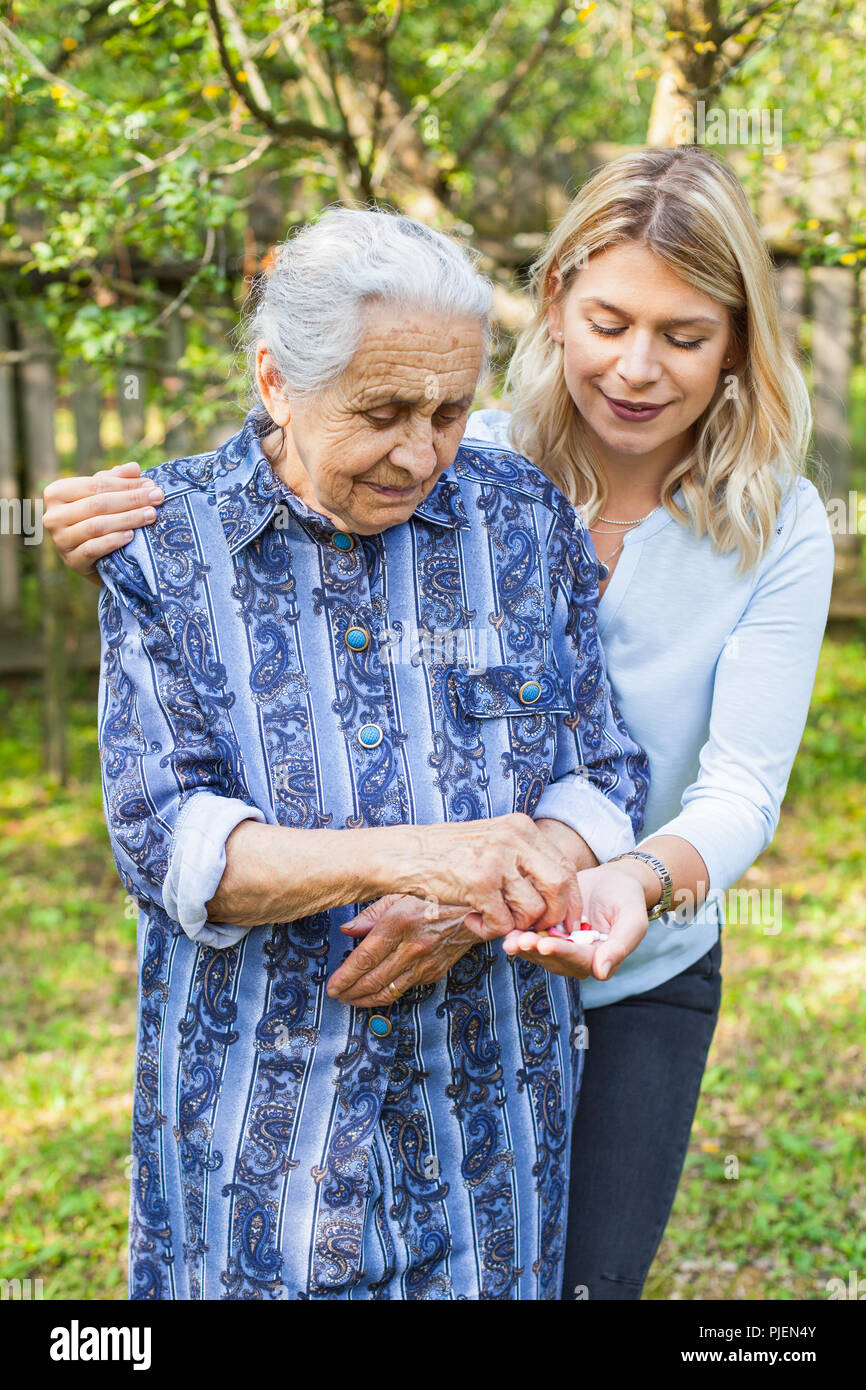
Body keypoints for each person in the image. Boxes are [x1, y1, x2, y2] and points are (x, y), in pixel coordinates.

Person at [44, 147, 835, 1300]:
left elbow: (663, 776)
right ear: (557, 300)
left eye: (683, 335)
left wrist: (512, 886)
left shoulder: (541, 506)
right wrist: (424, 858)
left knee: (583, 1279)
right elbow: (165, 835)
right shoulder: (210, 531)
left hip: (610, 968)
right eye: (611, 320)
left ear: (733, 347)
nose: (421, 449)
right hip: (270, 1101)